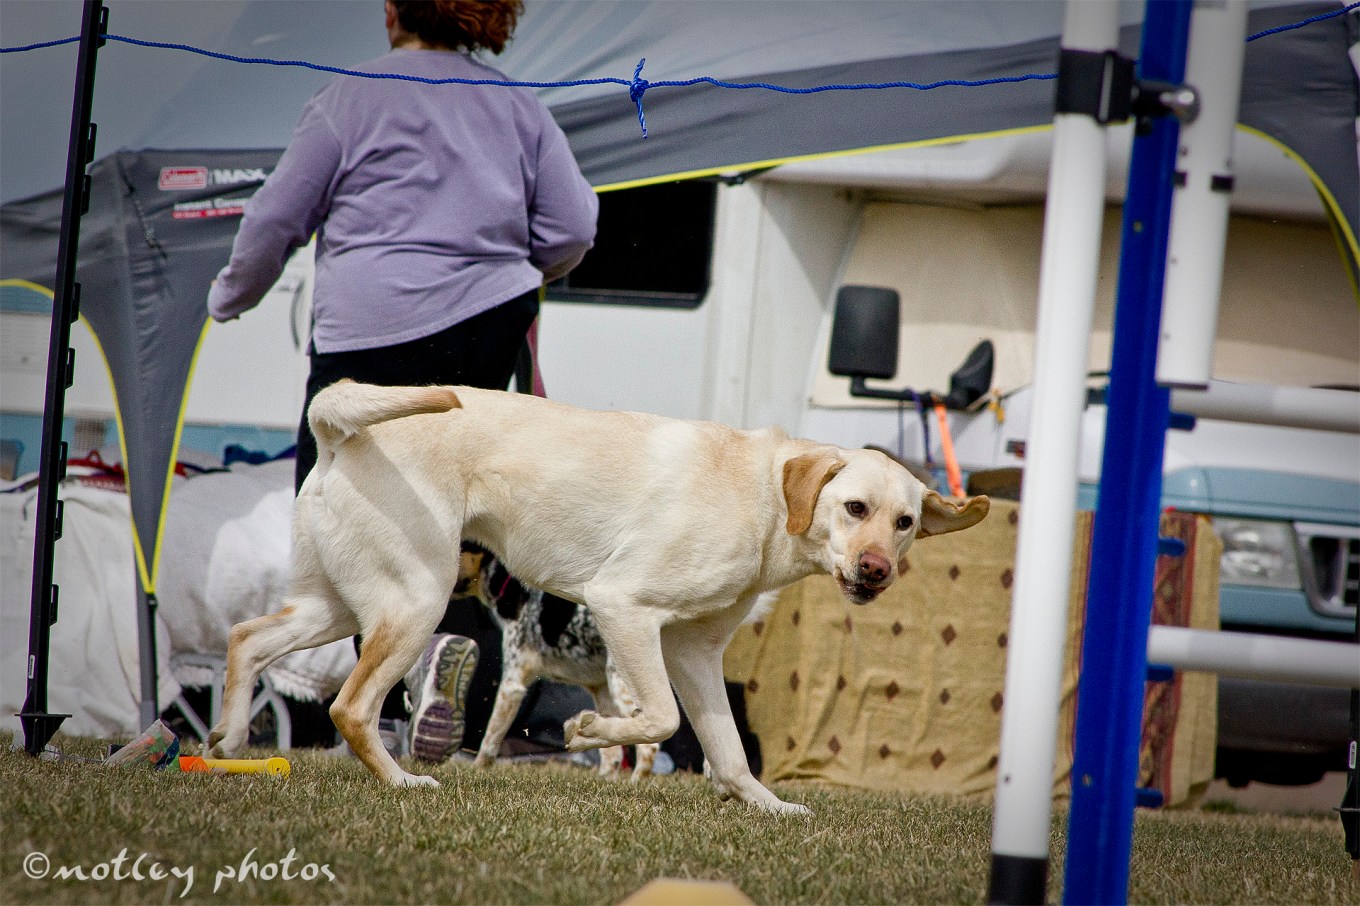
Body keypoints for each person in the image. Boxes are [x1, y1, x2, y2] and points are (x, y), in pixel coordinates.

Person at [206, 0, 598, 763]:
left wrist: (230, 296)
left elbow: (275, 218)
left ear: (393, 9)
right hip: (483, 335)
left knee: (343, 518)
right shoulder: (517, 104)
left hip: (368, 339)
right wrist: (519, 266)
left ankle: (397, 686)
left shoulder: (348, 96)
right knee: (436, 514)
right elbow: (574, 225)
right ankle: (408, 683)